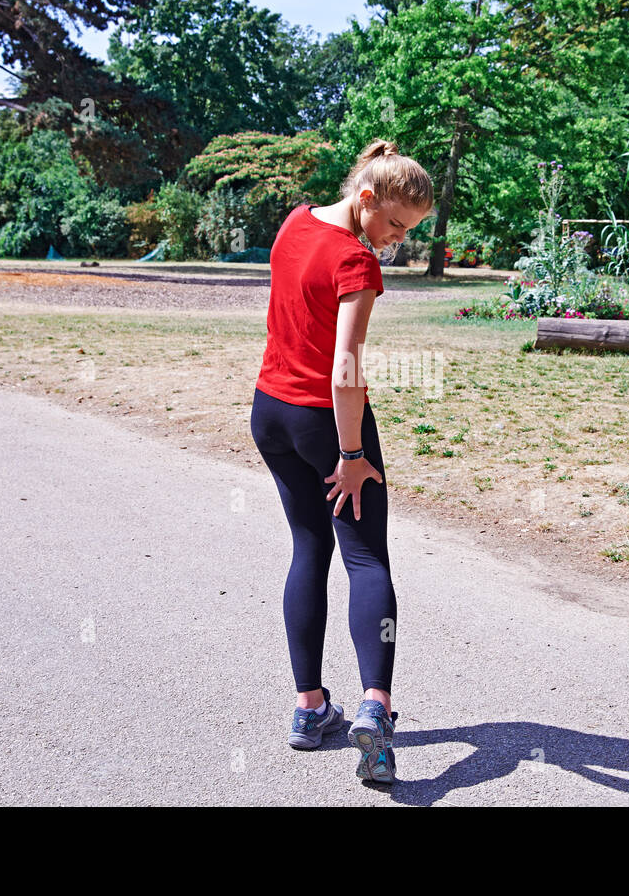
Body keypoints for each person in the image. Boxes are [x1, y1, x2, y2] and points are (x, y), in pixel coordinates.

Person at [250, 139, 434, 784]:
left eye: (407, 232)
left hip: (269, 410)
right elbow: (346, 368)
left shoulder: (296, 220)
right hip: (323, 422)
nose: (394, 241)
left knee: (308, 549)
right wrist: (352, 454)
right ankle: (375, 710)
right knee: (365, 558)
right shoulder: (357, 262)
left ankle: (309, 710)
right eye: (393, 224)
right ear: (367, 199)